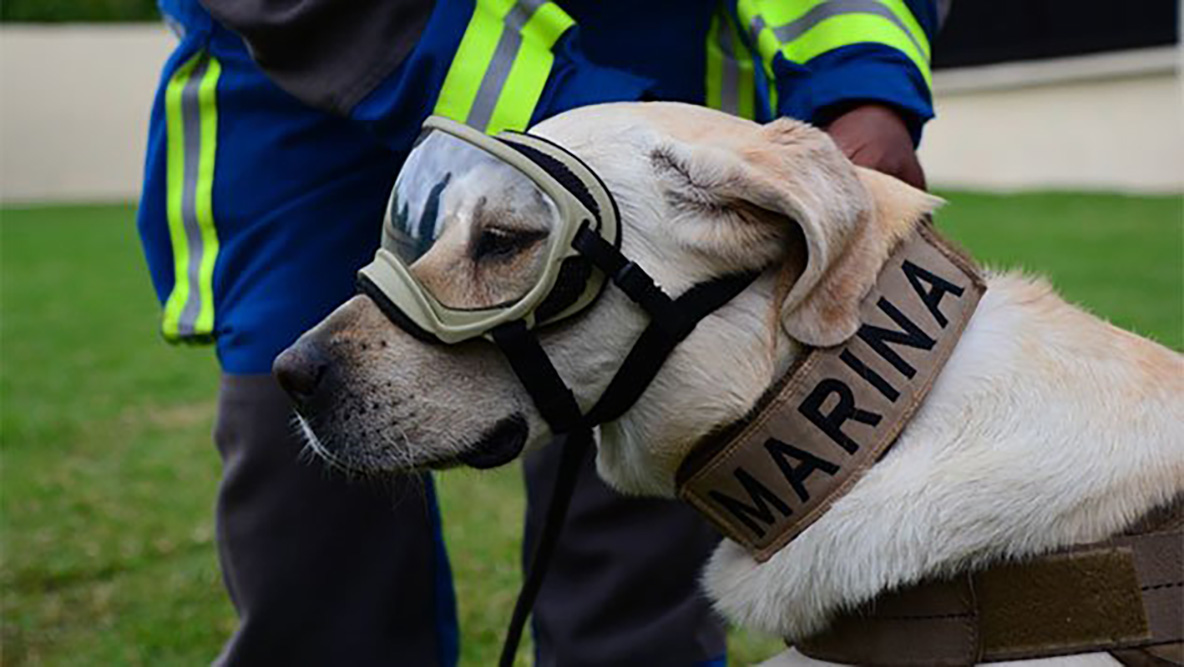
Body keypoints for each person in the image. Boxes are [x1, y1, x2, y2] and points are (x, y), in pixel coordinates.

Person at [136, 1, 941, 664]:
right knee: (315, 525)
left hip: (647, 83)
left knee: (633, 570)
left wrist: (862, 81)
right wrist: (576, 133)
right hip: (318, 79)